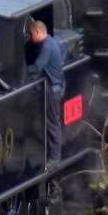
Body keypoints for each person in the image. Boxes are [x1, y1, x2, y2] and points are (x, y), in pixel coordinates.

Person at [26, 19, 64, 166]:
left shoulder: (47, 47)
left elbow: (37, 66)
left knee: (52, 123)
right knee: (52, 122)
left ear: (37, 32)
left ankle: (55, 158)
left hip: (52, 89)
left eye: (30, 34)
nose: (30, 37)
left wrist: (22, 71)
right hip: (55, 85)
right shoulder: (53, 42)